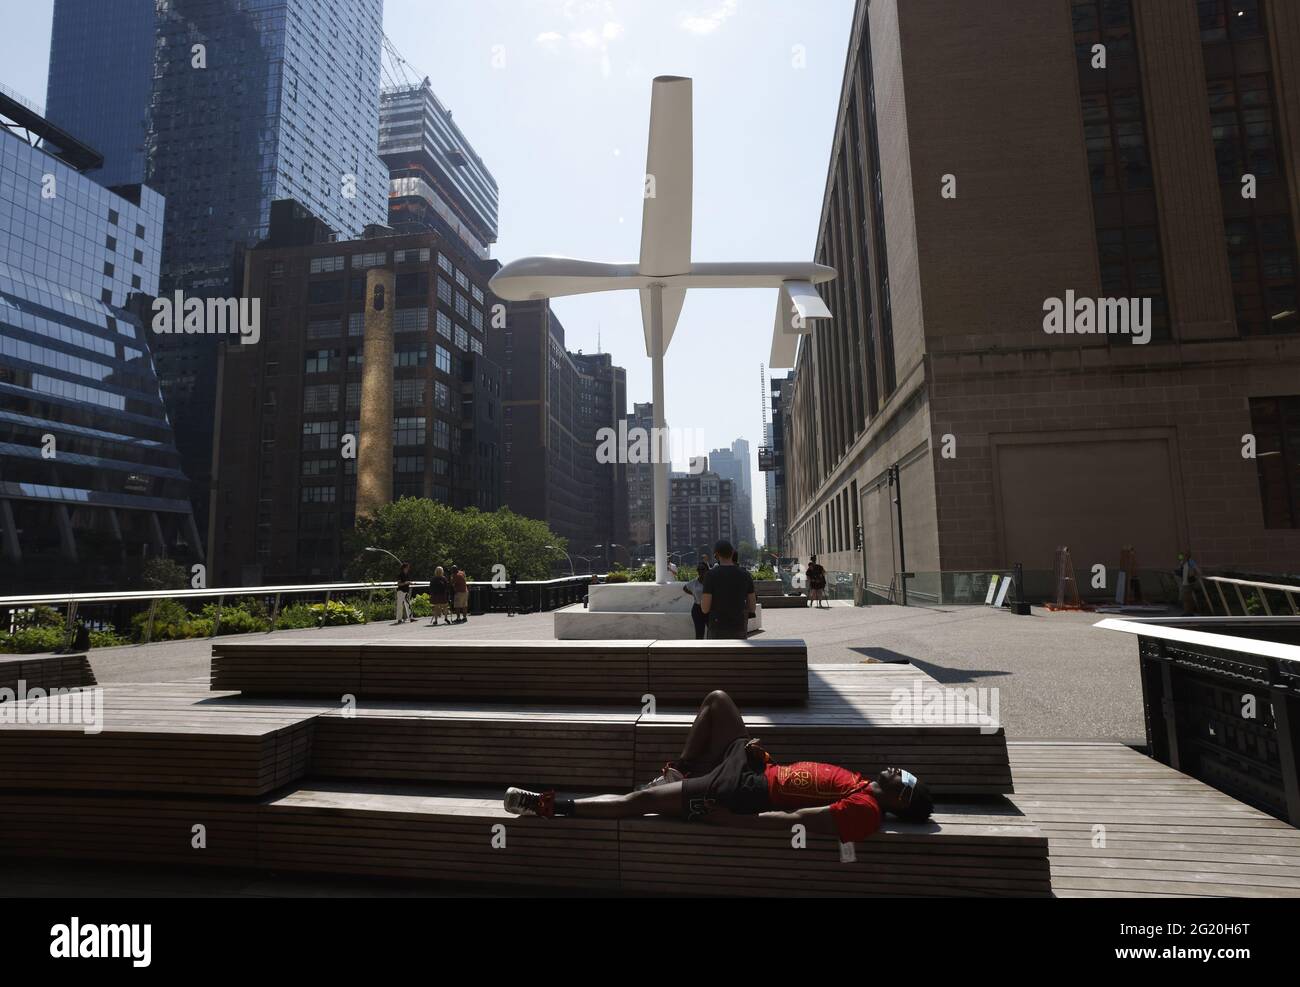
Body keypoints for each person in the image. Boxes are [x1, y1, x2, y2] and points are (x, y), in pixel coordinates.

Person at [504, 690, 933, 845]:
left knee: (643, 801)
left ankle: (549, 805)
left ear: (903, 797)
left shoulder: (866, 810)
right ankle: (680, 771)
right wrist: (760, 757)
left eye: (904, 777)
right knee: (718, 700)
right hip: (753, 769)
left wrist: (732, 821)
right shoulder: (861, 785)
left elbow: (798, 821)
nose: (897, 769)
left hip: (743, 794)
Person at [701, 539, 755, 640]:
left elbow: (705, 609)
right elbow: (752, 607)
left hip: (717, 627)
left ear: (716, 555)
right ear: (733, 553)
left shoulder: (710, 575)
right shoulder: (745, 574)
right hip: (738, 626)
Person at [683, 562, 709, 640]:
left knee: (711, 632)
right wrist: (694, 594)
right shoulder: (694, 582)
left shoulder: (710, 582)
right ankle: (699, 650)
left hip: (709, 609)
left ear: (707, 570)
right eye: (699, 569)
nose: (700, 571)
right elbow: (685, 588)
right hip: (697, 609)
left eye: (703, 569)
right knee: (699, 633)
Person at [1177, 550, 1201, 616]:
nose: (1182, 556)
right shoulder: (1182, 562)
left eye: (1183, 555)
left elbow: (1198, 570)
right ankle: (1187, 611)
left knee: (1187, 598)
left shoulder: (1190, 561)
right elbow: (1180, 569)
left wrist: (1196, 577)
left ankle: (1189, 612)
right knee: (1186, 598)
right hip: (1184, 582)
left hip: (1189, 583)